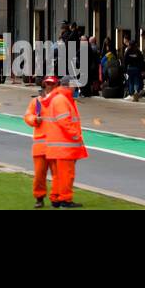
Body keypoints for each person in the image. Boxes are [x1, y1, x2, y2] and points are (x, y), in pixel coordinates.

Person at [42, 77, 88, 208]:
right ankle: (65, 200)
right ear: (68, 86)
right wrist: (76, 135)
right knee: (66, 174)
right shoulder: (62, 100)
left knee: (59, 175)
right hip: (64, 145)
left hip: (58, 145)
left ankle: (56, 198)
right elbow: (65, 121)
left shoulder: (59, 98)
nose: (75, 89)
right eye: (74, 86)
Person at [23, 75, 58, 208]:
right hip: (40, 145)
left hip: (55, 144)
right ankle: (39, 198)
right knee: (39, 175)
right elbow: (27, 116)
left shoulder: (58, 101)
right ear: (44, 85)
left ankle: (56, 198)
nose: (49, 86)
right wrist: (34, 120)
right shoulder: (37, 102)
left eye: (52, 84)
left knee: (57, 175)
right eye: (48, 84)